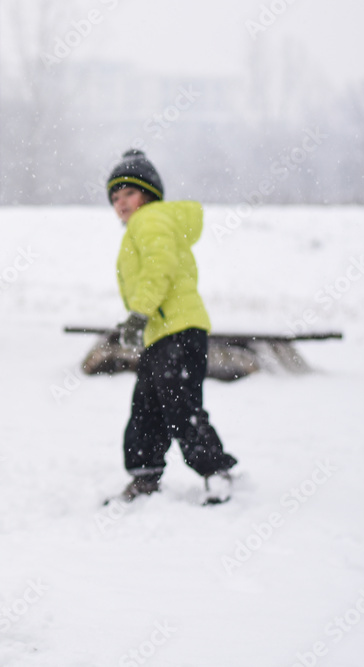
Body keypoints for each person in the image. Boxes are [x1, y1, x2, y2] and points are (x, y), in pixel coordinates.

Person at [107, 149, 237, 504]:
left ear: (147, 193)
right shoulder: (146, 224)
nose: (121, 203)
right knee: (147, 408)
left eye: (128, 193)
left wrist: (139, 313)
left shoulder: (149, 220)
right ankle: (144, 475)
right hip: (163, 333)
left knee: (181, 407)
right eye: (115, 198)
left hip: (176, 330)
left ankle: (216, 471)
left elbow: (158, 267)